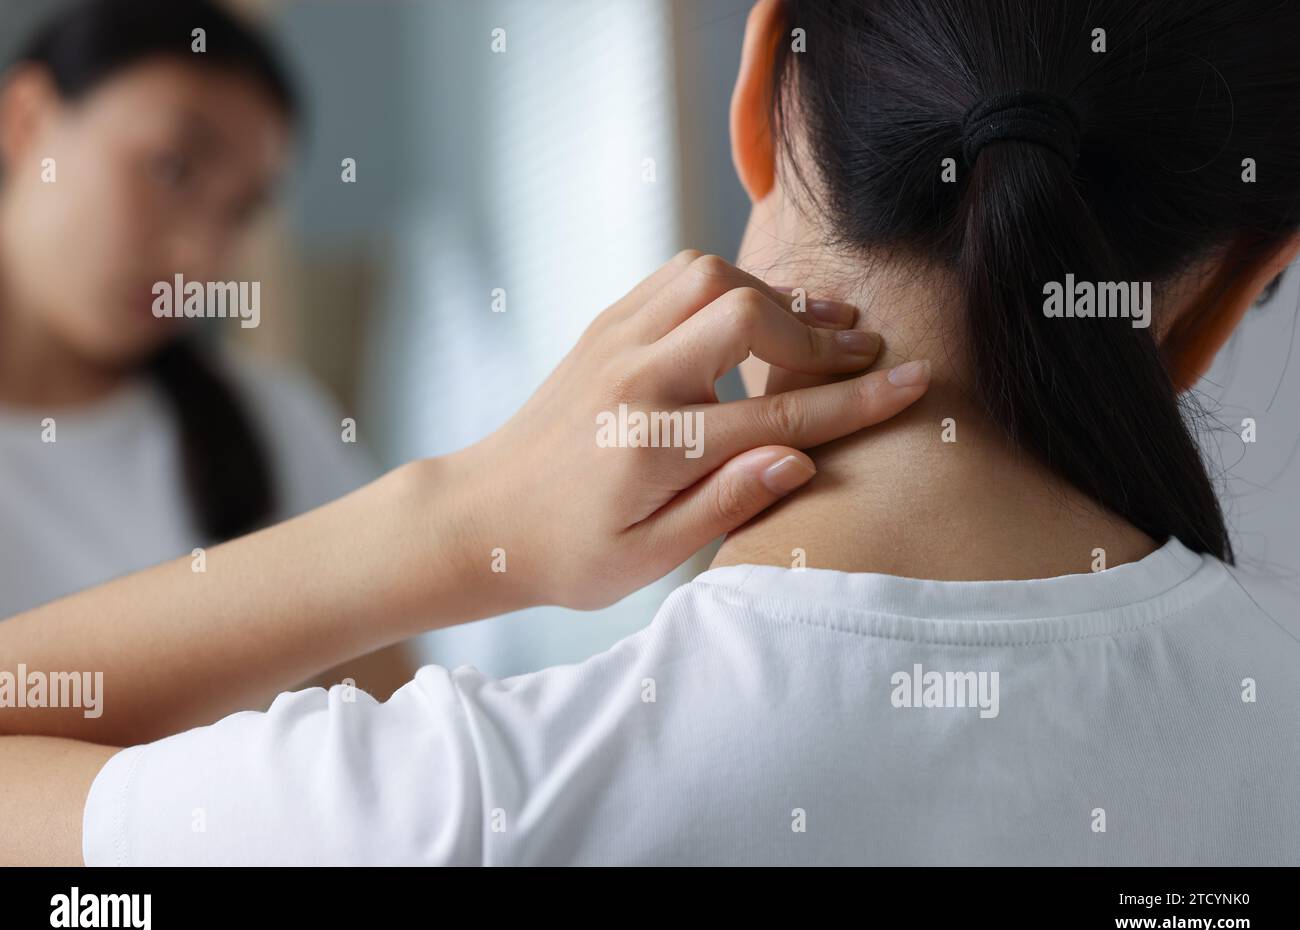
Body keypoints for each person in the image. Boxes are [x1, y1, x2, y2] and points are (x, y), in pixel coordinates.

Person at [2, 0, 1298, 866]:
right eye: (171, 168)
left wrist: (463, 519)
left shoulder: (453, 808)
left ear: (759, 87)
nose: (198, 246)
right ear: (1244, 279)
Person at [0, 0, 414, 695]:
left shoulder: (272, 425)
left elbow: (400, 736)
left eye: (239, 211)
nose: (198, 256)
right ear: (28, 121)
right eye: (171, 169)